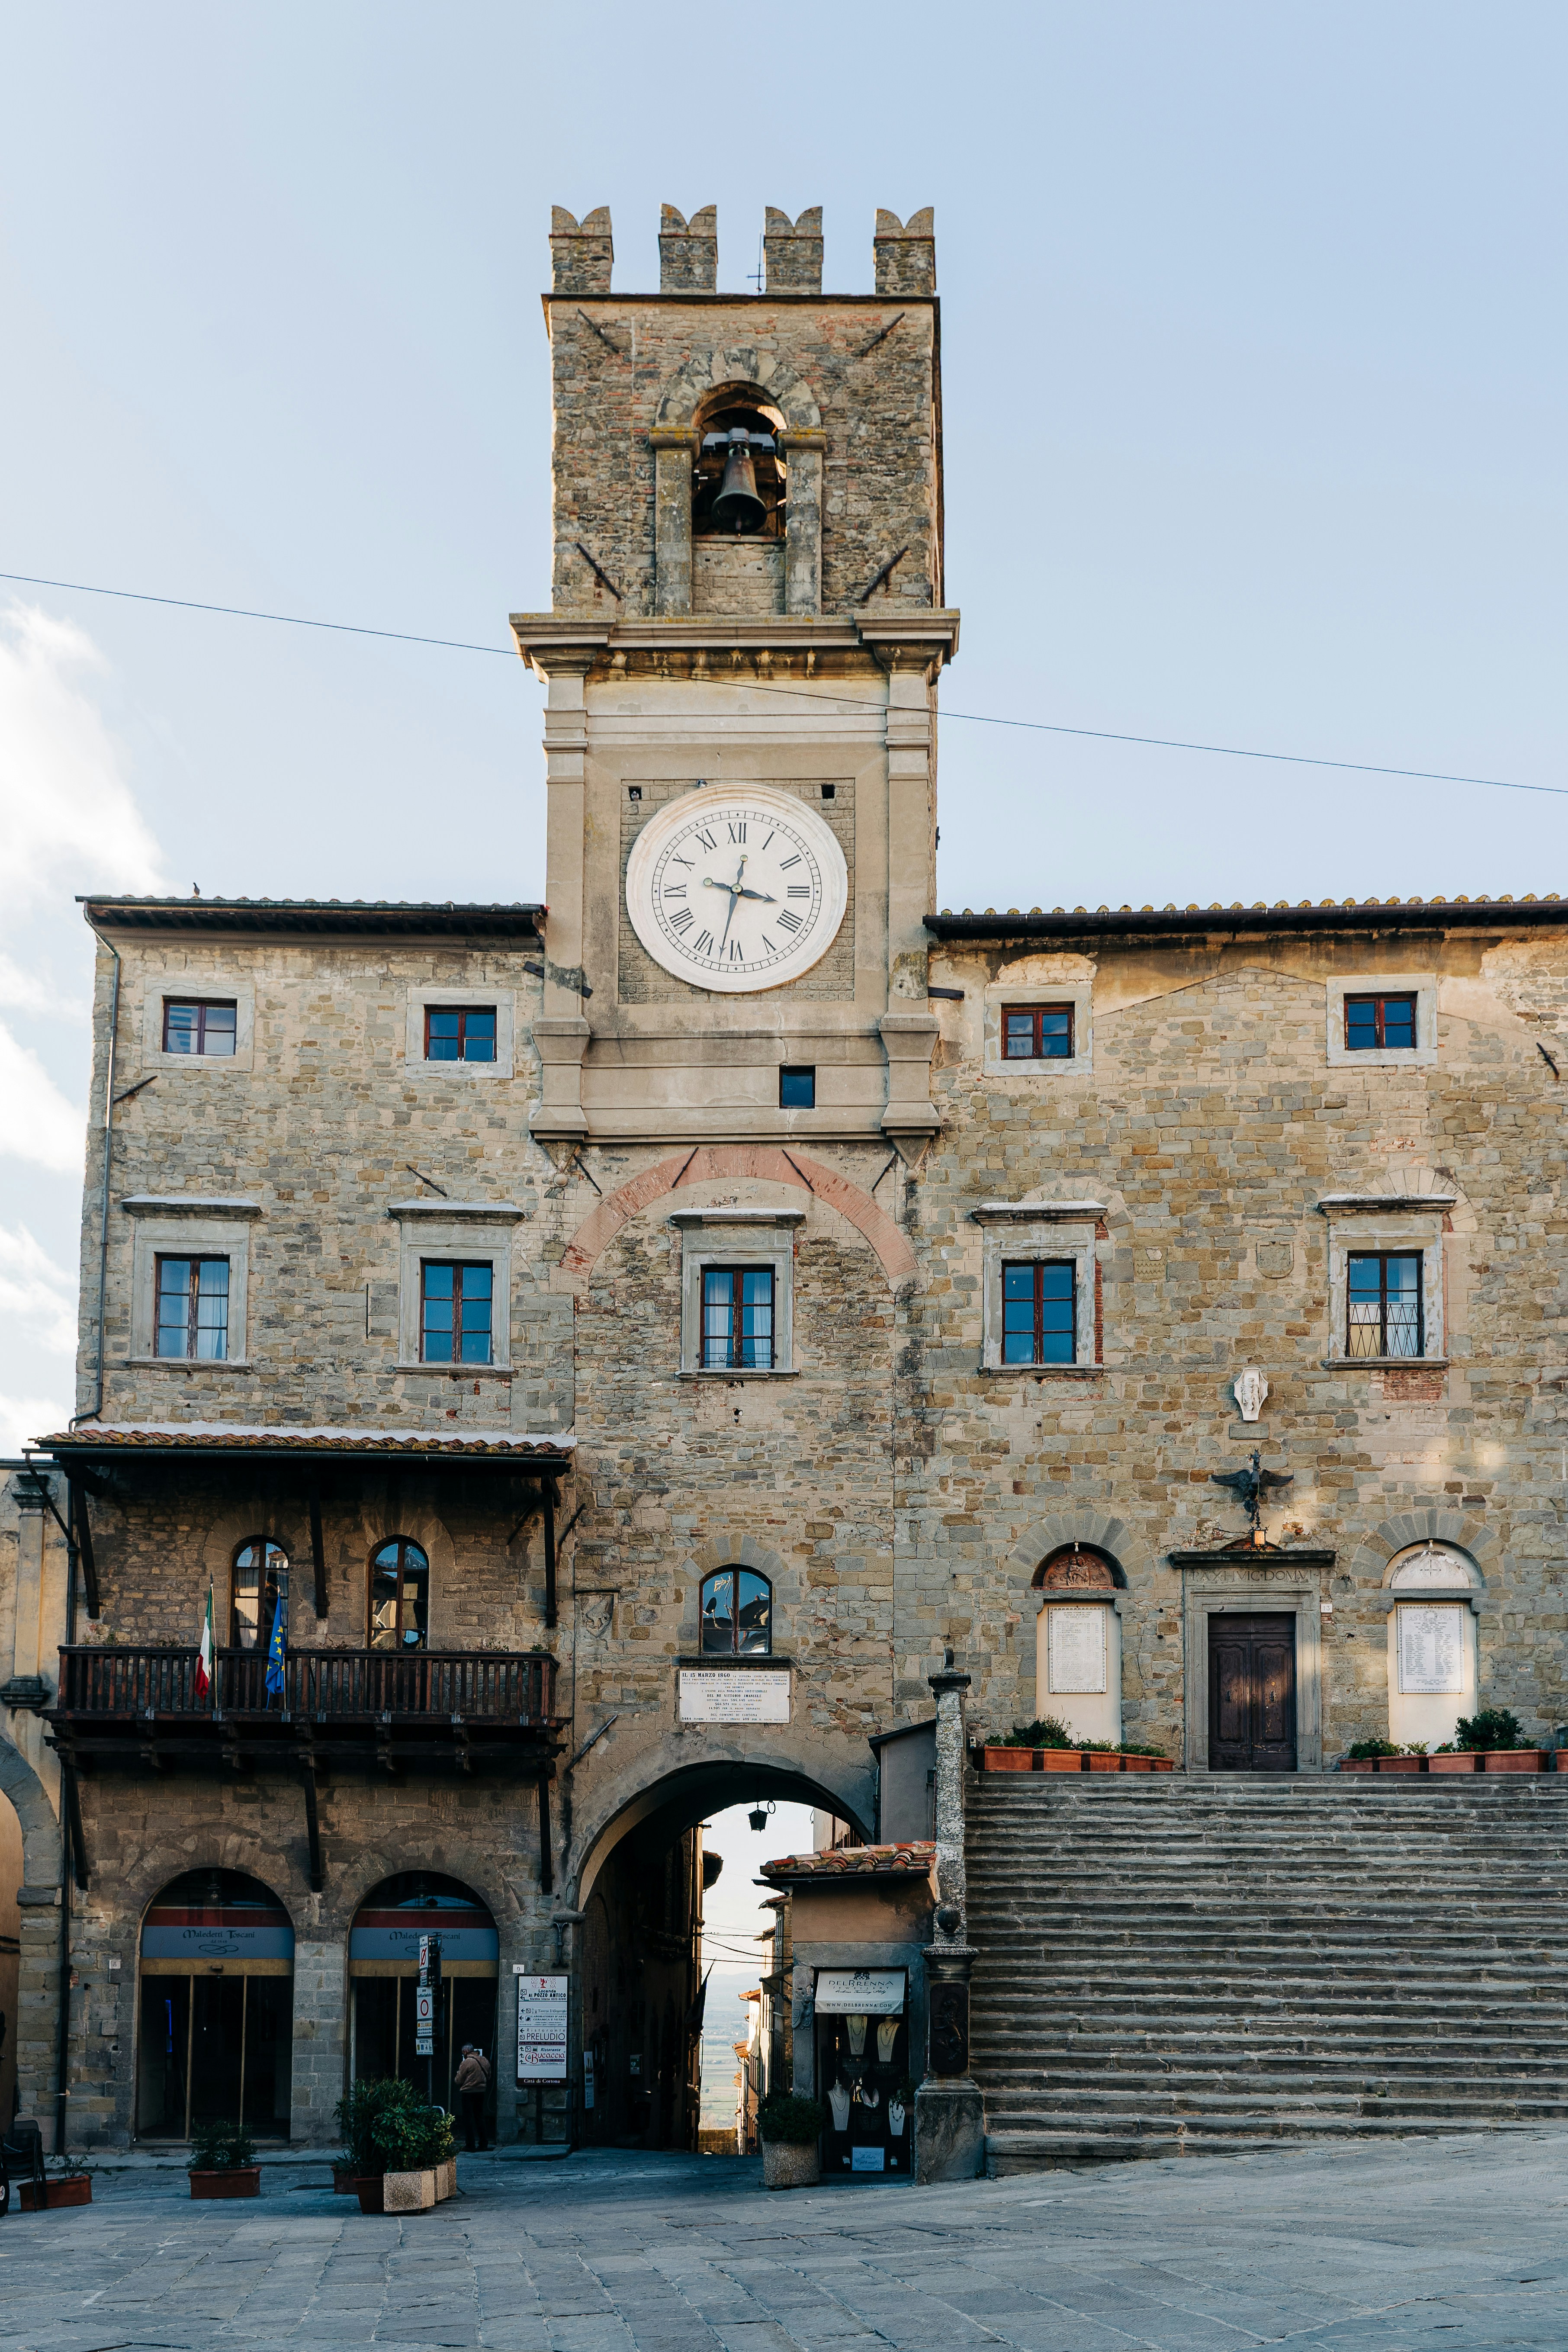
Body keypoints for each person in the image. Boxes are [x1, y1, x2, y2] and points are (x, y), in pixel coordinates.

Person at [454, 2042, 492, 2152]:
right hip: (481, 2091)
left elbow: (458, 2080)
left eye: (463, 2053)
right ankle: (483, 2143)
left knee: (468, 2118)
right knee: (480, 2117)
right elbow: (489, 2076)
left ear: (465, 2052)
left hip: (468, 2092)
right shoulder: (484, 2060)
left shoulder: (466, 2062)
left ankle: (470, 2145)